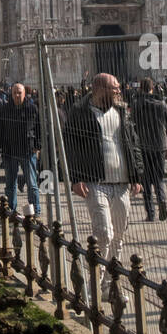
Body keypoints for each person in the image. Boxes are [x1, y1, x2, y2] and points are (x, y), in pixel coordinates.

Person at [64, 73, 144, 291]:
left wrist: (137, 176)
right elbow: (69, 147)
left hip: (122, 183)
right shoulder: (80, 112)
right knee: (103, 233)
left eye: (118, 88)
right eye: (115, 88)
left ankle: (110, 285)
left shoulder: (122, 112)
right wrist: (74, 178)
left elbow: (132, 143)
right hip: (95, 181)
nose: (119, 91)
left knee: (118, 235)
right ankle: (94, 283)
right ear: (99, 89)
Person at [0, 83, 41, 214]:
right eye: (14, 93)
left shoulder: (32, 109)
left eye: (19, 93)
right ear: (11, 94)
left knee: (32, 184)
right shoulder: (4, 109)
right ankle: (11, 211)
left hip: (27, 151)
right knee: (10, 185)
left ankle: (35, 212)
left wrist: (38, 146)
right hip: (9, 151)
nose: (17, 95)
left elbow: (40, 128)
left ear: (24, 94)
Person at [132, 78, 167, 221]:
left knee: (146, 181)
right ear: (152, 88)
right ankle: (161, 200)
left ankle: (151, 213)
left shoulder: (137, 105)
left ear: (140, 88)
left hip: (143, 146)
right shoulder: (162, 104)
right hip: (160, 146)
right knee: (159, 178)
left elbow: (132, 126)